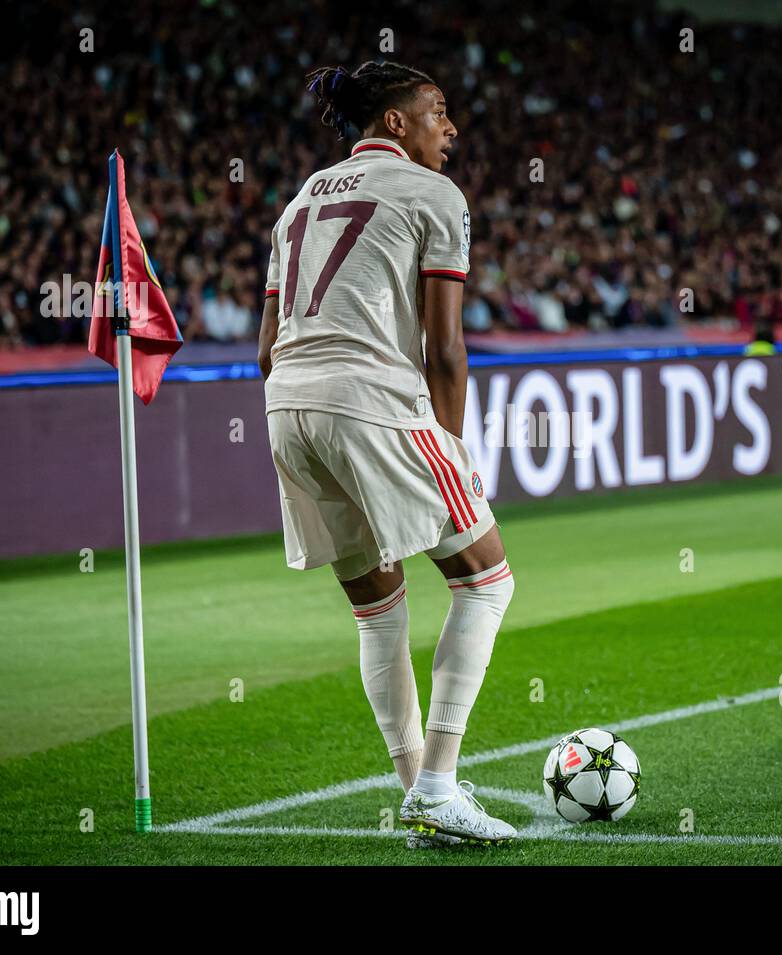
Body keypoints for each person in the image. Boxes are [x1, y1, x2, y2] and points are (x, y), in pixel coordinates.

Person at [257, 61, 517, 849]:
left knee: (379, 609)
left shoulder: (299, 200)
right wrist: (451, 445)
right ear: (396, 123)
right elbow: (446, 349)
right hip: (370, 399)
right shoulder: (435, 196)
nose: (452, 129)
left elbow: (266, 347)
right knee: (485, 579)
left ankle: (422, 798)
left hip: (286, 406)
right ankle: (438, 782)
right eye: (438, 111)